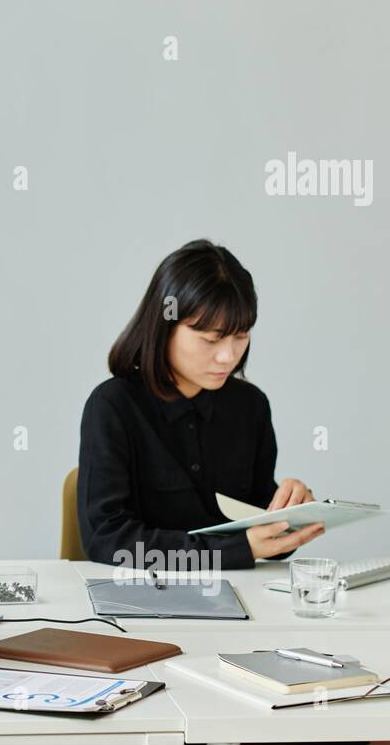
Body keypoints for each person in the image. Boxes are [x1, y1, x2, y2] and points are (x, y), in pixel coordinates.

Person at [77, 239, 324, 571]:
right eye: (210, 339)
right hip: (141, 601)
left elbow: (257, 523)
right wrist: (233, 551)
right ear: (165, 327)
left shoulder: (250, 406)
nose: (228, 356)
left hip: (245, 600)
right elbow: (107, 540)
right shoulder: (113, 407)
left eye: (241, 336)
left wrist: (291, 512)